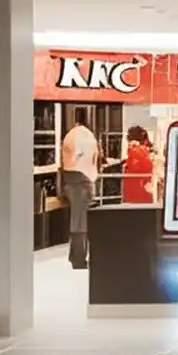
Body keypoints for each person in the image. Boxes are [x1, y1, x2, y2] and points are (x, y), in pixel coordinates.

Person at [60, 109, 99, 269]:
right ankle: (77, 257)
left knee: (77, 221)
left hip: (72, 178)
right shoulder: (88, 135)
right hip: (85, 179)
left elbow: (73, 156)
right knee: (81, 221)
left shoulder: (72, 134)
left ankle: (76, 258)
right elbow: (93, 157)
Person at [121, 126, 155, 204]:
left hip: (134, 195)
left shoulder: (135, 152)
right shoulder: (145, 153)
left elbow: (134, 168)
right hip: (145, 193)